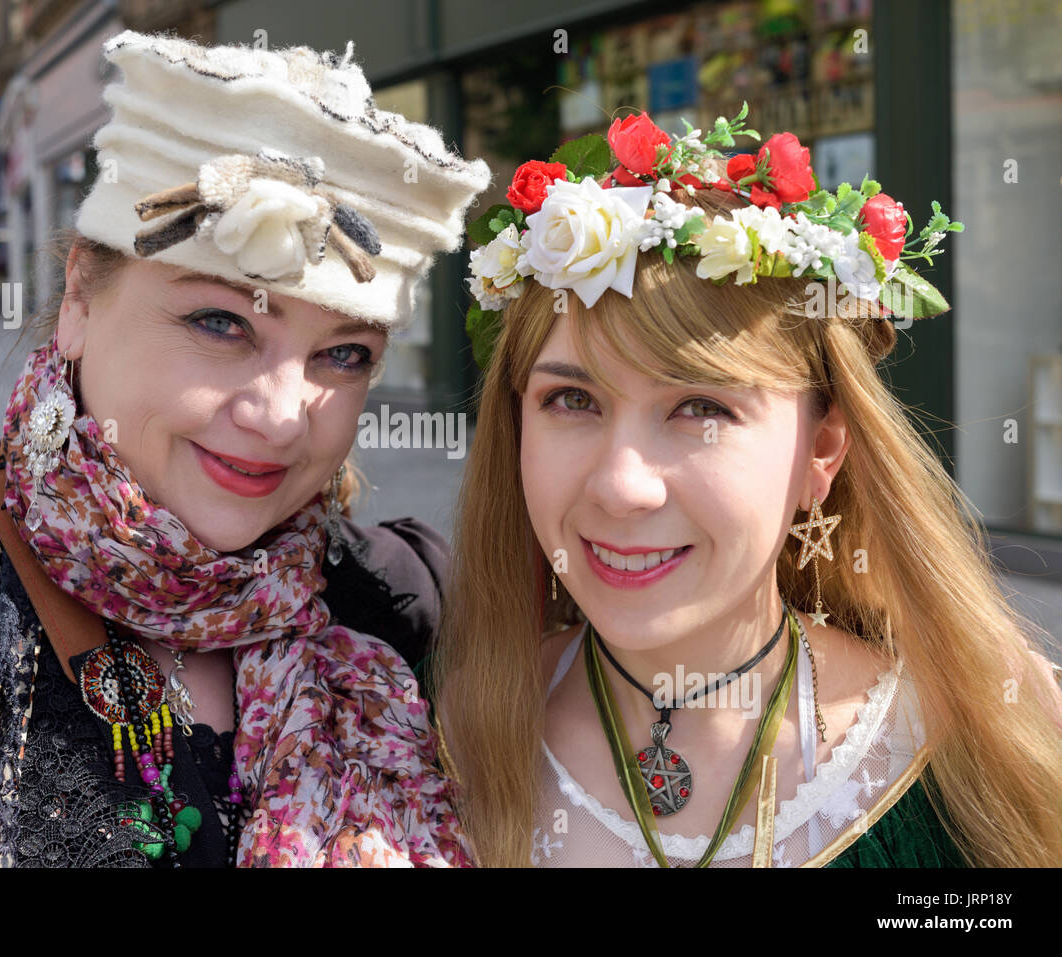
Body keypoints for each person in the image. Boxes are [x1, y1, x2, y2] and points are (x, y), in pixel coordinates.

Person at [0, 31, 490, 868]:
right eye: (221, 323)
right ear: (78, 295)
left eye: (345, 354)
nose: (283, 417)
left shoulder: (407, 608)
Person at [432, 106, 1062, 867]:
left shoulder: (971, 745)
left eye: (701, 407)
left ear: (821, 451)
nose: (623, 485)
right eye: (572, 400)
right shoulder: (431, 740)